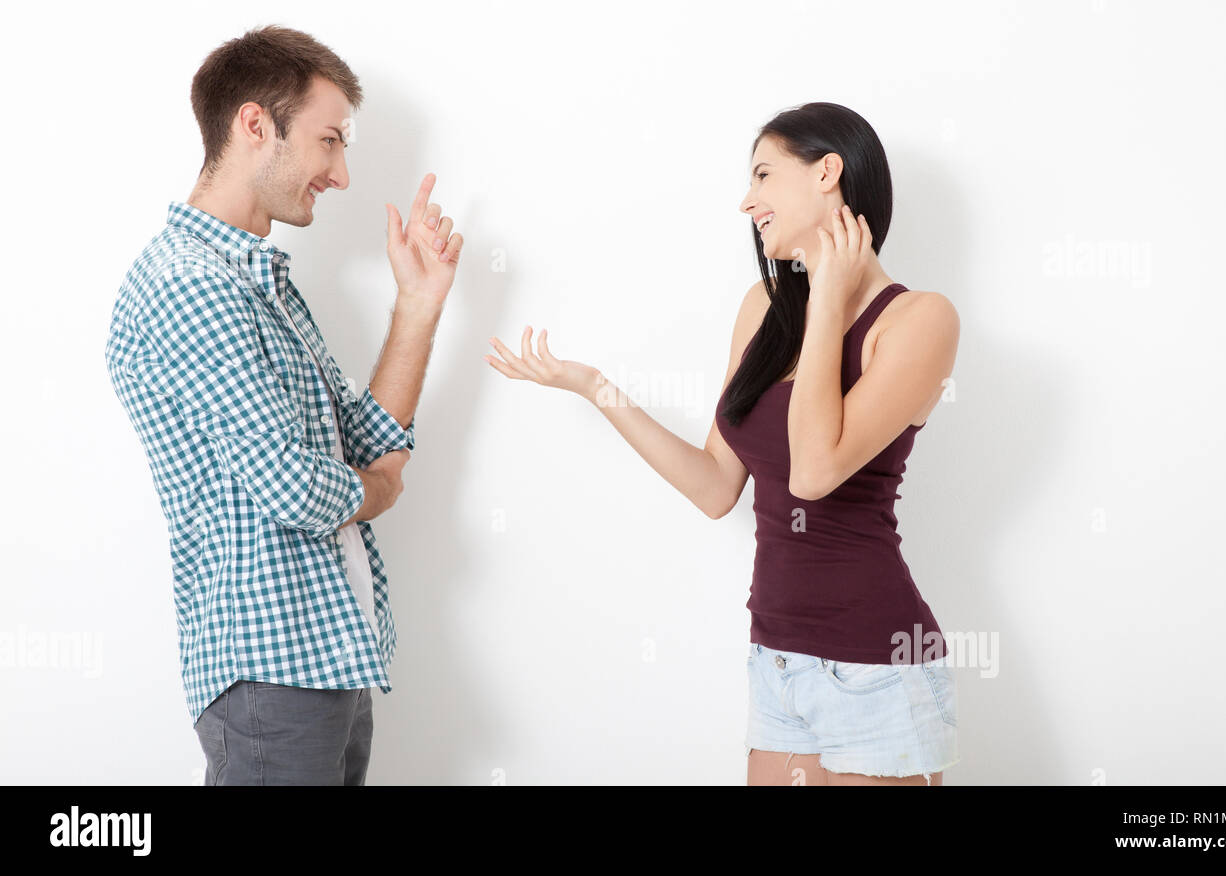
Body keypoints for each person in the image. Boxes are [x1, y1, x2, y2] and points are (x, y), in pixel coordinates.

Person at [484, 102, 960, 786]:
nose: (748, 201)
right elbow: (715, 485)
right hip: (777, 660)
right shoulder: (763, 310)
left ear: (827, 172)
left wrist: (829, 297)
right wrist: (596, 388)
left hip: (876, 667)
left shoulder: (919, 319)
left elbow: (816, 472)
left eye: (764, 175)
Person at [104, 25, 462, 785]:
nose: (341, 174)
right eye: (328, 141)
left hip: (324, 657)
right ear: (255, 125)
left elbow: (360, 442)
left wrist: (419, 305)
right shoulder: (191, 286)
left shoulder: (257, 281)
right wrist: (381, 492)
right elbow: (296, 485)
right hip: (271, 679)